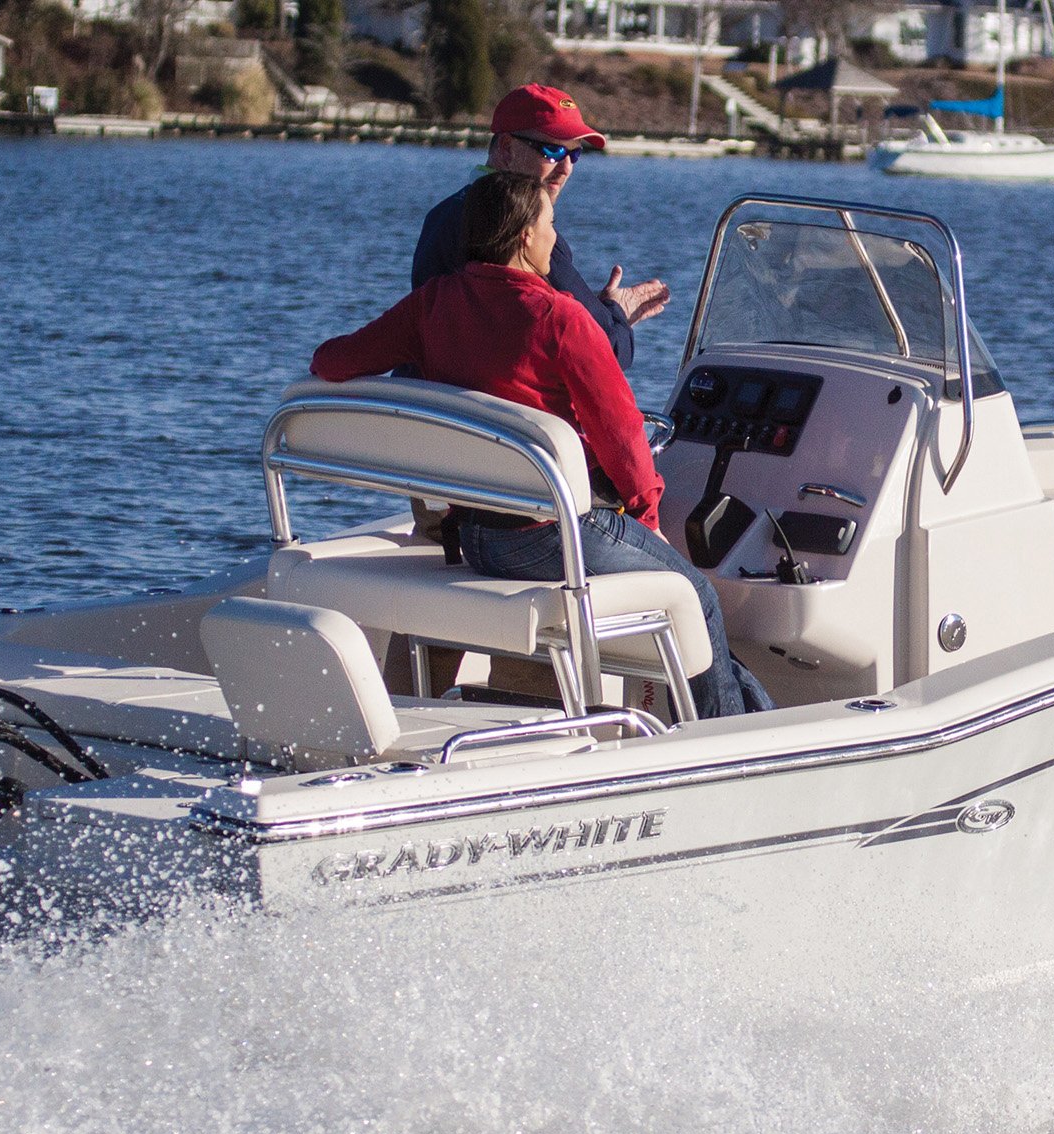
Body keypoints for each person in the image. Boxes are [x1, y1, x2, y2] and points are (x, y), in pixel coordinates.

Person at [312, 171, 770, 720]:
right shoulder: (559, 318)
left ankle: (759, 718)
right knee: (697, 597)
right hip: (552, 538)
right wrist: (646, 517)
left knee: (687, 598)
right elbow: (622, 437)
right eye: (550, 224)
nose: (556, 237)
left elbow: (331, 362)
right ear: (525, 236)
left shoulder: (432, 303)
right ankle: (724, 741)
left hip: (476, 536)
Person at [409, 84, 669, 373]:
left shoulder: (441, 216)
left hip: (426, 400)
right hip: (492, 412)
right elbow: (605, 351)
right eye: (553, 150)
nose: (567, 167)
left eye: (575, 154)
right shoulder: (529, 232)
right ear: (506, 149)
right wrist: (617, 312)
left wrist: (599, 310)